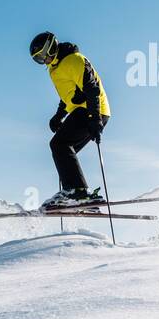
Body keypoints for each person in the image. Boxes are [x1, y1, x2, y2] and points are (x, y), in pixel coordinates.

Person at [29, 31, 111, 207]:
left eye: (43, 55)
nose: (44, 60)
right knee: (65, 152)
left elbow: (91, 89)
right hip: (81, 111)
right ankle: (83, 199)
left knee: (59, 145)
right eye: (38, 59)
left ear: (52, 47)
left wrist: (95, 119)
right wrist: (58, 116)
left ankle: (77, 192)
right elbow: (70, 95)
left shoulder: (74, 60)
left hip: (91, 110)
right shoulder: (54, 69)